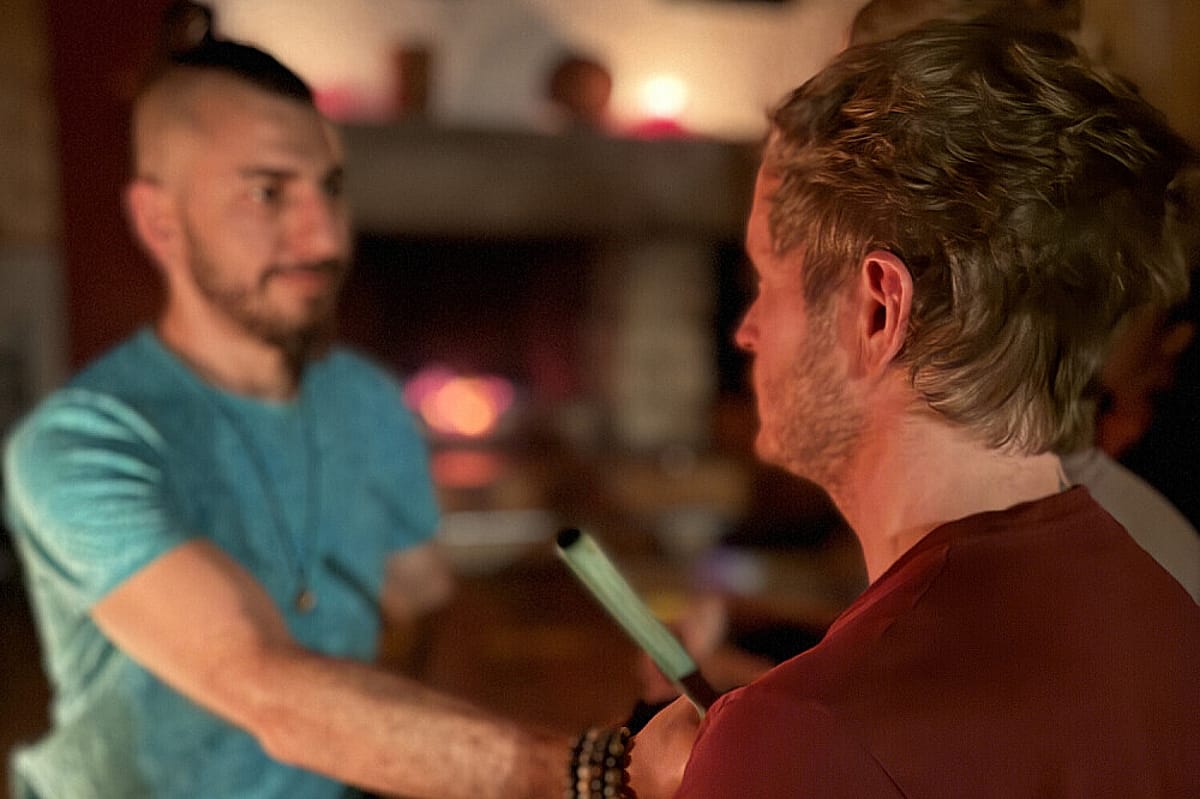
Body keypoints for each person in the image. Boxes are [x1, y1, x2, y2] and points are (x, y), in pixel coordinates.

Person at [2, 6, 580, 798]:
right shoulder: (82, 440)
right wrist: (589, 770)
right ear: (159, 219)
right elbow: (263, 687)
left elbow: (426, 597)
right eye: (268, 192)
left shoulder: (370, 400)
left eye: (331, 189)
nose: (326, 238)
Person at [626, 18, 1200, 798]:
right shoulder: (1163, 610)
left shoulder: (807, 734)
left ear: (878, 310)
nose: (747, 329)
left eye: (767, 279)